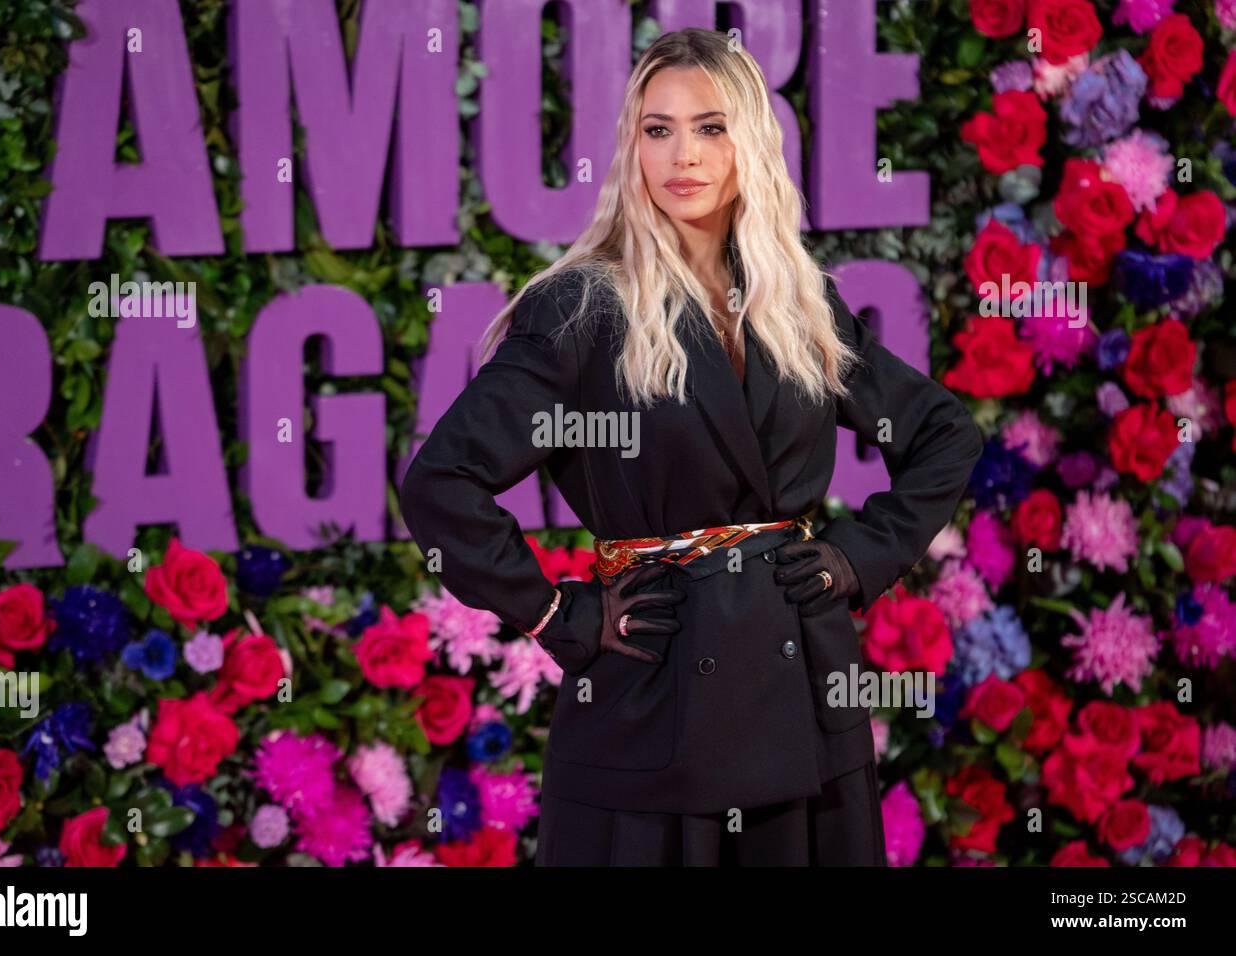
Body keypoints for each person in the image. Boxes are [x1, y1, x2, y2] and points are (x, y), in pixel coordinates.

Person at [399, 27, 983, 866]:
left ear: (750, 141)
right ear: (632, 146)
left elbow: (941, 433)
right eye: (657, 128)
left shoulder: (798, 301)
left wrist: (858, 557)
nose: (683, 154)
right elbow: (441, 482)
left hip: (805, 702)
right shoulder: (582, 308)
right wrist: (559, 613)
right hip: (652, 698)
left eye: (710, 127)